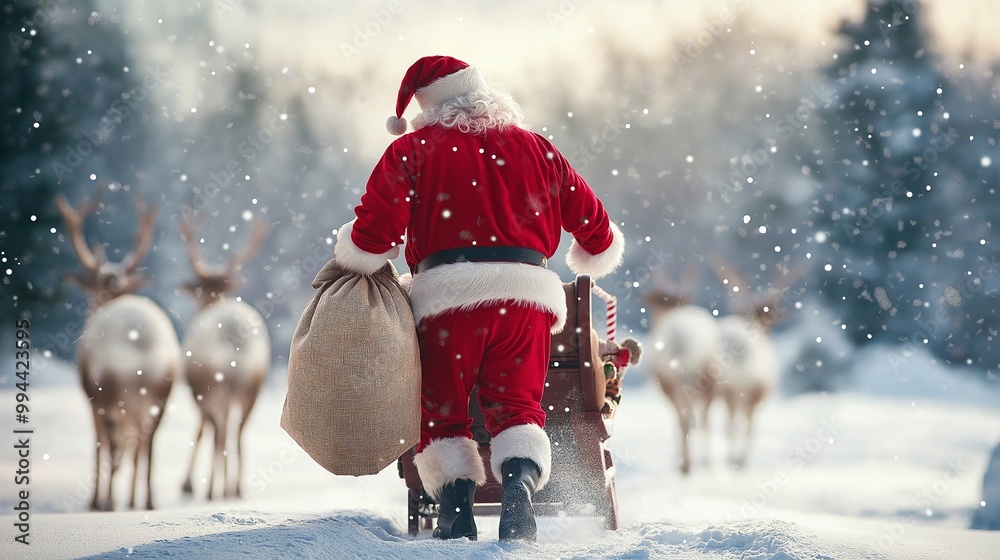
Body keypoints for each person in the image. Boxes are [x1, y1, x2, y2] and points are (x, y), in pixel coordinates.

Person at [333, 55, 624, 541]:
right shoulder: (537, 148)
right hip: (525, 302)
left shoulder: (412, 151)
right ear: (482, 95)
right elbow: (595, 229)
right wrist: (591, 246)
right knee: (518, 408)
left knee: (443, 409)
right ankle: (519, 487)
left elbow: (371, 236)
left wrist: (356, 250)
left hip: (445, 305)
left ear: (426, 110)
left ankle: (455, 506)